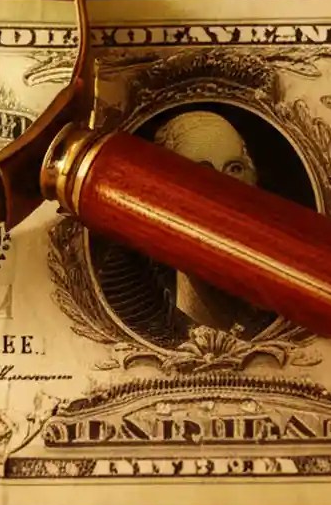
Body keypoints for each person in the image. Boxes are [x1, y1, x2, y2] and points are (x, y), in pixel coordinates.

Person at [93, 111, 276, 345]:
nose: (225, 191)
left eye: (235, 168)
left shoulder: (281, 309)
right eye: (200, 174)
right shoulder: (137, 321)